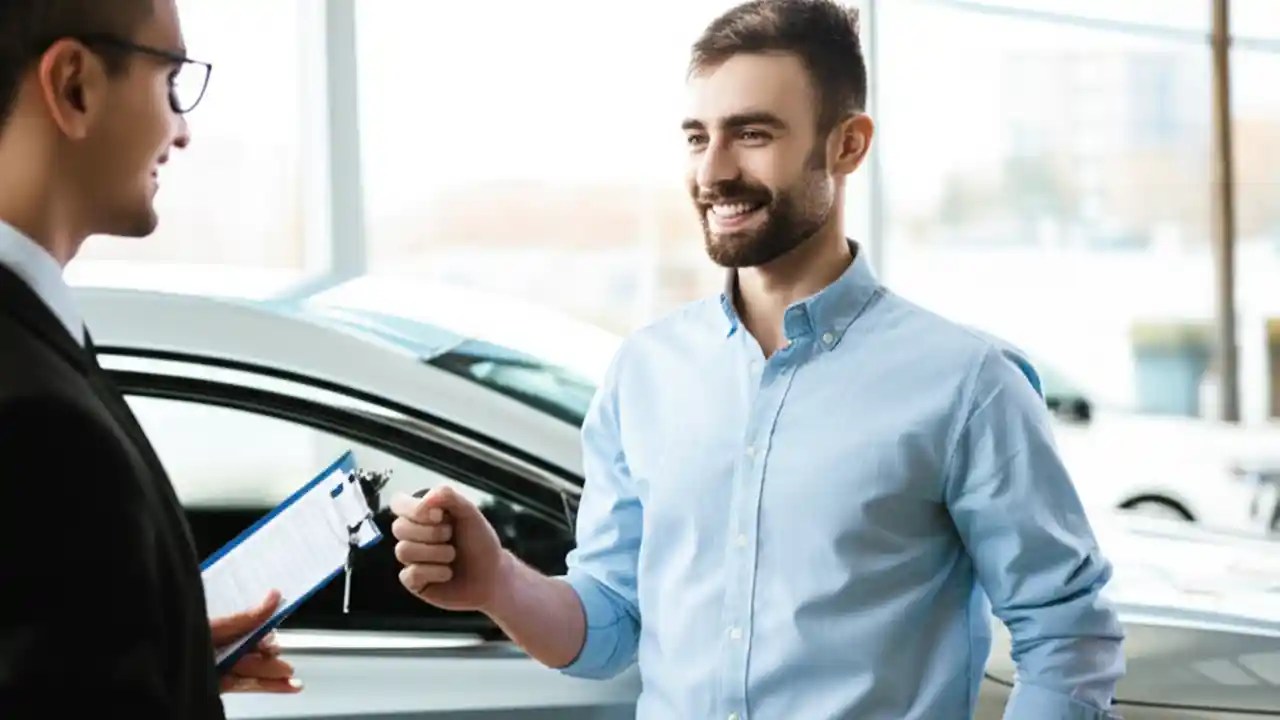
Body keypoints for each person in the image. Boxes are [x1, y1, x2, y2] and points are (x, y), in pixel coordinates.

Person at [389, 0, 1125, 717]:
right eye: (697, 136)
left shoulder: (969, 386)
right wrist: (497, 582)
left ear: (848, 144)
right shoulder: (645, 373)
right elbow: (611, 624)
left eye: (752, 134)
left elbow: (1066, 637)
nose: (714, 172)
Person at [0, 1, 300, 715]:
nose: (184, 131)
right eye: (171, 83)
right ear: (75, 86)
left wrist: (162, 653)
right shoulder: (37, 419)